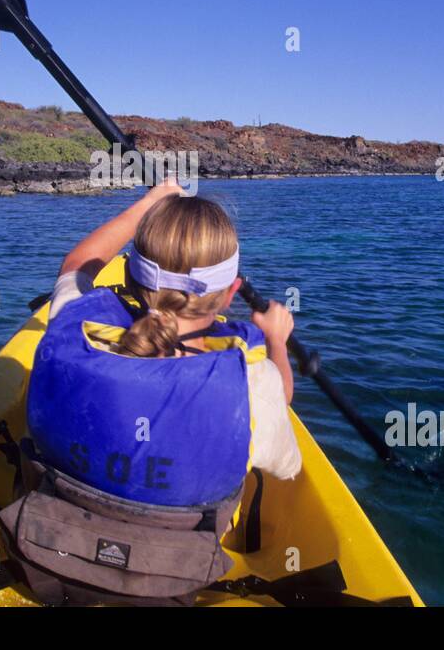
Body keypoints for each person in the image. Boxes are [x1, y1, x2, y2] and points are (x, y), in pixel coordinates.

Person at [28, 179, 302, 509]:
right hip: (180, 554)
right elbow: (281, 401)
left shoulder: (78, 329)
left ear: (128, 276)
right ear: (232, 293)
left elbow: (80, 261)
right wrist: (276, 340)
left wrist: (151, 202)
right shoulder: (251, 379)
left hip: (55, 533)